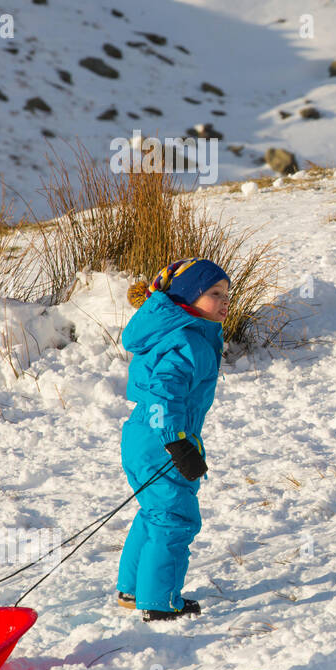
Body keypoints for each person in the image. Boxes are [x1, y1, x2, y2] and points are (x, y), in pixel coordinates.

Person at [118, 258, 230, 622]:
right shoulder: (186, 341)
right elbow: (163, 395)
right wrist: (177, 442)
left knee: (155, 512)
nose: (225, 300)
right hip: (160, 441)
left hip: (144, 437)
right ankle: (159, 601)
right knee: (174, 518)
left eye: (227, 294)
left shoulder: (181, 332)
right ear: (187, 297)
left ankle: (133, 589)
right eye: (214, 293)